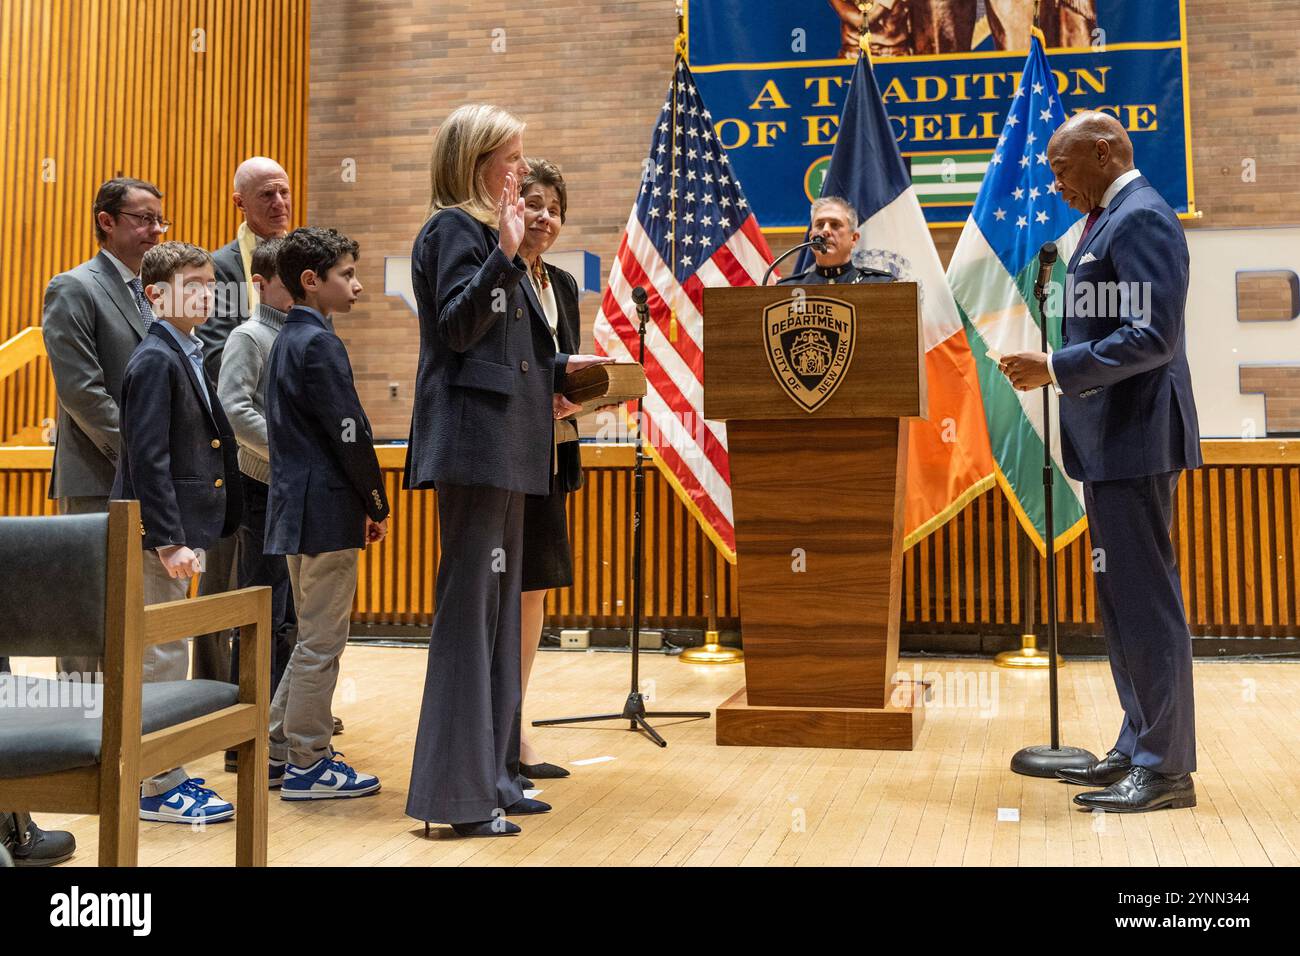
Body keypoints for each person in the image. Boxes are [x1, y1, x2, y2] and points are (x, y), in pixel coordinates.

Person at [404, 104, 610, 837]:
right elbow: (458, 328)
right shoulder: (453, 231)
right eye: (512, 160)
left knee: (496, 625)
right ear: (476, 162)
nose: (522, 173)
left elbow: (514, 351)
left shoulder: (502, 242)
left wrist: (575, 376)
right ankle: (453, 799)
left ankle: (494, 776)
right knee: (469, 622)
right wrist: (503, 252)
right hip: (475, 446)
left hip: (516, 449)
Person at [999, 111, 1201, 813]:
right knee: (1120, 602)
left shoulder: (1141, 217)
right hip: (1111, 441)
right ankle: (1136, 743)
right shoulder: (1104, 222)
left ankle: (1167, 768)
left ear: (1105, 151)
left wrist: (1054, 366)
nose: (1056, 186)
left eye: (1062, 169)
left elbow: (1153, 337)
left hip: (1138, 437)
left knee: (1146, 603)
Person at [112, 240, 244, 823]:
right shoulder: (155, 359)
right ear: (155, 295)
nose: (206, 294)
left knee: (170, 650)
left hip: (179, 532)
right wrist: (167, 540)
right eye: (192, 285)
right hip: (155, 537)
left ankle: (165, 772)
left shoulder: (184, 351)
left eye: (210, 283)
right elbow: (148, 460)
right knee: (160, 655)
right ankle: (156, 784)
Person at [264, 226, 389, 799]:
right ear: (311, 282)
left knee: (310, 635)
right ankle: (310, 763)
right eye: (346, 275)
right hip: (328, 510)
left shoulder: (288, 339)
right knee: (323, 641)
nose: (358, 286)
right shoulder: (320, 343)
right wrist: (375, 499)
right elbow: (351, 434)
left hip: (296, 508)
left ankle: (278, 745)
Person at [193, 157, 295, 686]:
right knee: (223, 578)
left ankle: (281, 696)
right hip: (232, 446)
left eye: (283, 193)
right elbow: (212, 354)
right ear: (240, 203)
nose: (279, 203)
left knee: (286, 584)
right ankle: (215, 691)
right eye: (265, 196)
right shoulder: (222, 268)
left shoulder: (306, 258)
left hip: (289, 448)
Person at [216, 237, 298, 773]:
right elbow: (234, 407)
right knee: (260, 616)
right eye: (288, 281)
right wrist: (292, 451)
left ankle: (279, 731)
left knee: (288, 616)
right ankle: (244, 741)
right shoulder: (250, 335)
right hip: (262, 489)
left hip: (291, 490)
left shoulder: (296, 333)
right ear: (263, 284)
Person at [516, 159, 585, 781]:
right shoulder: (500, 273)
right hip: (503, 456)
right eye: (534, 203)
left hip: (551, 451)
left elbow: (563, 366)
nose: (545, 216)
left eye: (555, 208)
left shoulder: (562, 283)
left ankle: (516, 724)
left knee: (534, 588)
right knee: (500, 590)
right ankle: (497, 726)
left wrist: (581, 391)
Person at [777, 196, 894, 286]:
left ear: (853, 239)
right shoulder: (788, 289)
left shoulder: (882, 284)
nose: (826, 230)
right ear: (811, 236)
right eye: (820, 225)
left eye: (835, 225)